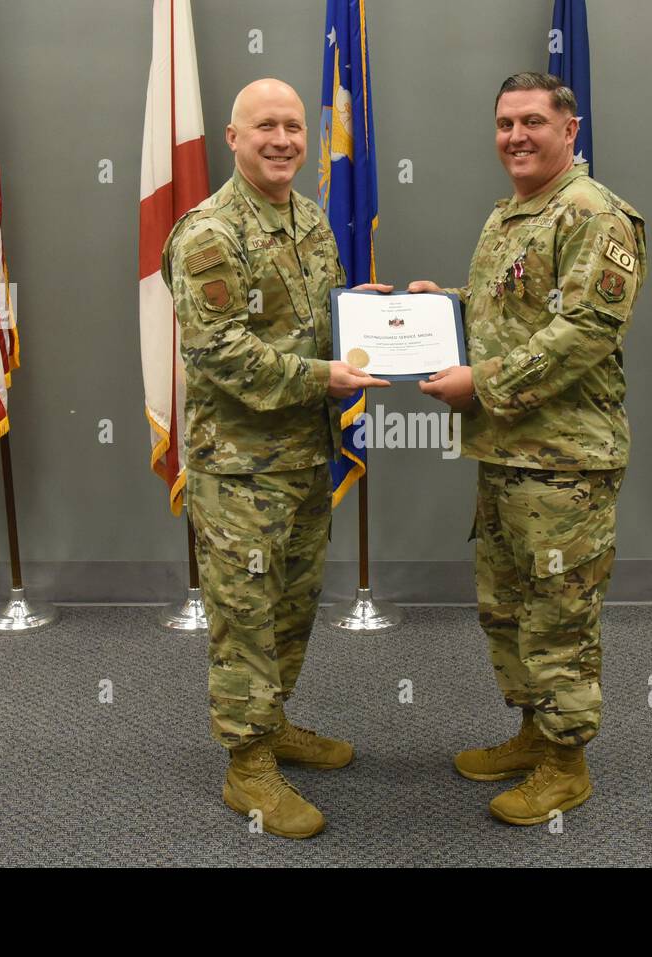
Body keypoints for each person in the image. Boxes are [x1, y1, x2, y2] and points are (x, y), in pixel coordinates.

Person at [412, 72, 647, 825]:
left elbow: (584, 331)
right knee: (508, 610)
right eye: (506, 122)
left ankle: (567, 760)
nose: (517, 135)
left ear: (569, 131)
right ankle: (531, 733)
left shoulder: (593, 214)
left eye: (534, 122)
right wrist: (441, 309)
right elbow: (509, 315)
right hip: (508, 454)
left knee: (559, 616)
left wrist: (479, 381)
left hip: (565, 464)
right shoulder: (512, 214)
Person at [161, 78, 388, 839]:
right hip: (239, 471)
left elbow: (322, 320)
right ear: (233, 137)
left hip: (301, 458)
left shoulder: (309, 219)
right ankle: (246, 763)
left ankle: (275, 721)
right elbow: (220, 353)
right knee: (245, 617)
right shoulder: (209, 235)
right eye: (266, 126)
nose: (284, 138)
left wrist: (376, 318)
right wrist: (325, 375)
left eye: (294, 125)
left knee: (293, 604)